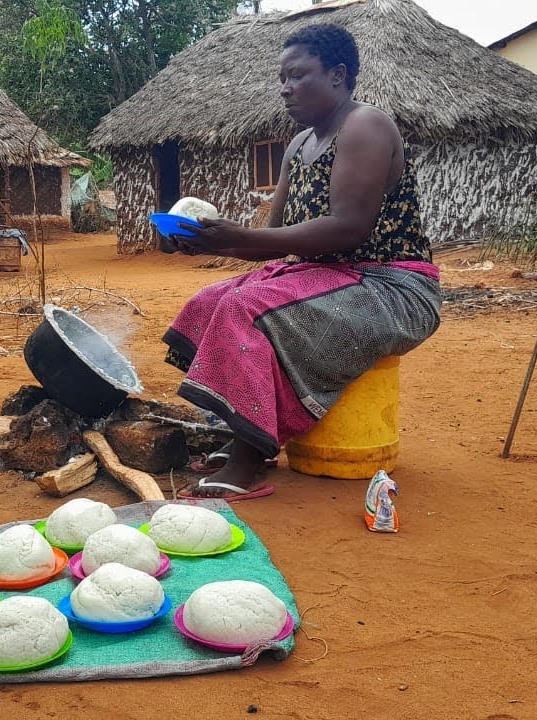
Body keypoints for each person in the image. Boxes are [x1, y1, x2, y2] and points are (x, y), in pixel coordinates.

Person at [164, 22, 441, 500]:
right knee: (210, 300)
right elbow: (275, 240)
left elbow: (348, 228)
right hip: (327, 276)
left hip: (392, 286)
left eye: (298, 76)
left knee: (246, 310)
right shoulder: (298, 145)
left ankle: (250, 454)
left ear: (337, 75)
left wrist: (236, 235)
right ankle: (248, 431)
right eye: (282, 78)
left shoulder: (365, 126)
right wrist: (214, 242)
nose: (286, 89)